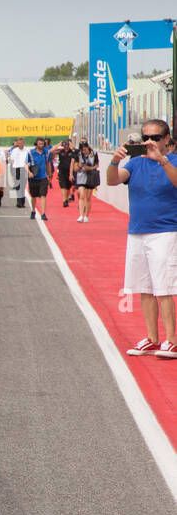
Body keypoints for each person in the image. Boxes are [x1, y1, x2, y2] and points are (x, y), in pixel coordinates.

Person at [106, 120, 177, 358]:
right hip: (137, 231)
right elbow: (112, 180)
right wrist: (115, 160)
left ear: (167, 139)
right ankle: (152, 337)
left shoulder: (173, 161)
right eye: (146, 137)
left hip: (166, 231)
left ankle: (172, 340)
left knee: (164, 287)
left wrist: (162, 160)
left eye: (155, 137)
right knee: (144, 287)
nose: (150, 142)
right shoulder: (136, 163)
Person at [25, 136, 52, 221]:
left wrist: (49, 175)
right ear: (36, 144)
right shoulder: (30, 153)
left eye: (42, 144)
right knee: (33, 196)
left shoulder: (46, 152)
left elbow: (48, 164)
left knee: (43, 195)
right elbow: (25, 164)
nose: (41, 145)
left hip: (43, 177)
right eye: (39, 143)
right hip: (33, 177)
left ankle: (43, 213)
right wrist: (29, 173)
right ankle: (33, 211)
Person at [73, 138, 100, 222]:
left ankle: (86, 216)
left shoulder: (94, 153)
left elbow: (97, 165)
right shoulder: (78, 155)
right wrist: (80, 166)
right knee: (81, 195)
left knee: (88, 197)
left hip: (90, 176)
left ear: (88, 147)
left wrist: (90, 168)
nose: (83, 151)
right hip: (81, 176)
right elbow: (75, 168)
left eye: (85, 149)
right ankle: (81, 215)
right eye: (82, 150)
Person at [7, 137, 29, 209]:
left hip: (24, 169)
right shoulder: (14, 151)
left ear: (23, 143)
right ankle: (19, 202)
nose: (20, 144)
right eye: (19, 143)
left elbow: (29, 160)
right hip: (17, 169)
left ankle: (22, 202)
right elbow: (12, 161)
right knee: (18, 186)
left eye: (21, 143)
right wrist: (12, 171)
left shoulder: (27, 150)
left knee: (23, 186)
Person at [54, 138, 76, 208]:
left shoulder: (72, 152)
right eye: (64, 144)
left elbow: (76, 152)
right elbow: (51, 151)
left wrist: (72, 146)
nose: (65, 145)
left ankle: (66, 198)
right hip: (62, 171)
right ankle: (64, 201)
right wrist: (59, 144)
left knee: (68, 187)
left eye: (67, 144)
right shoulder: (61, 151)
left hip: (70, 171)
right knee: (63, 186)